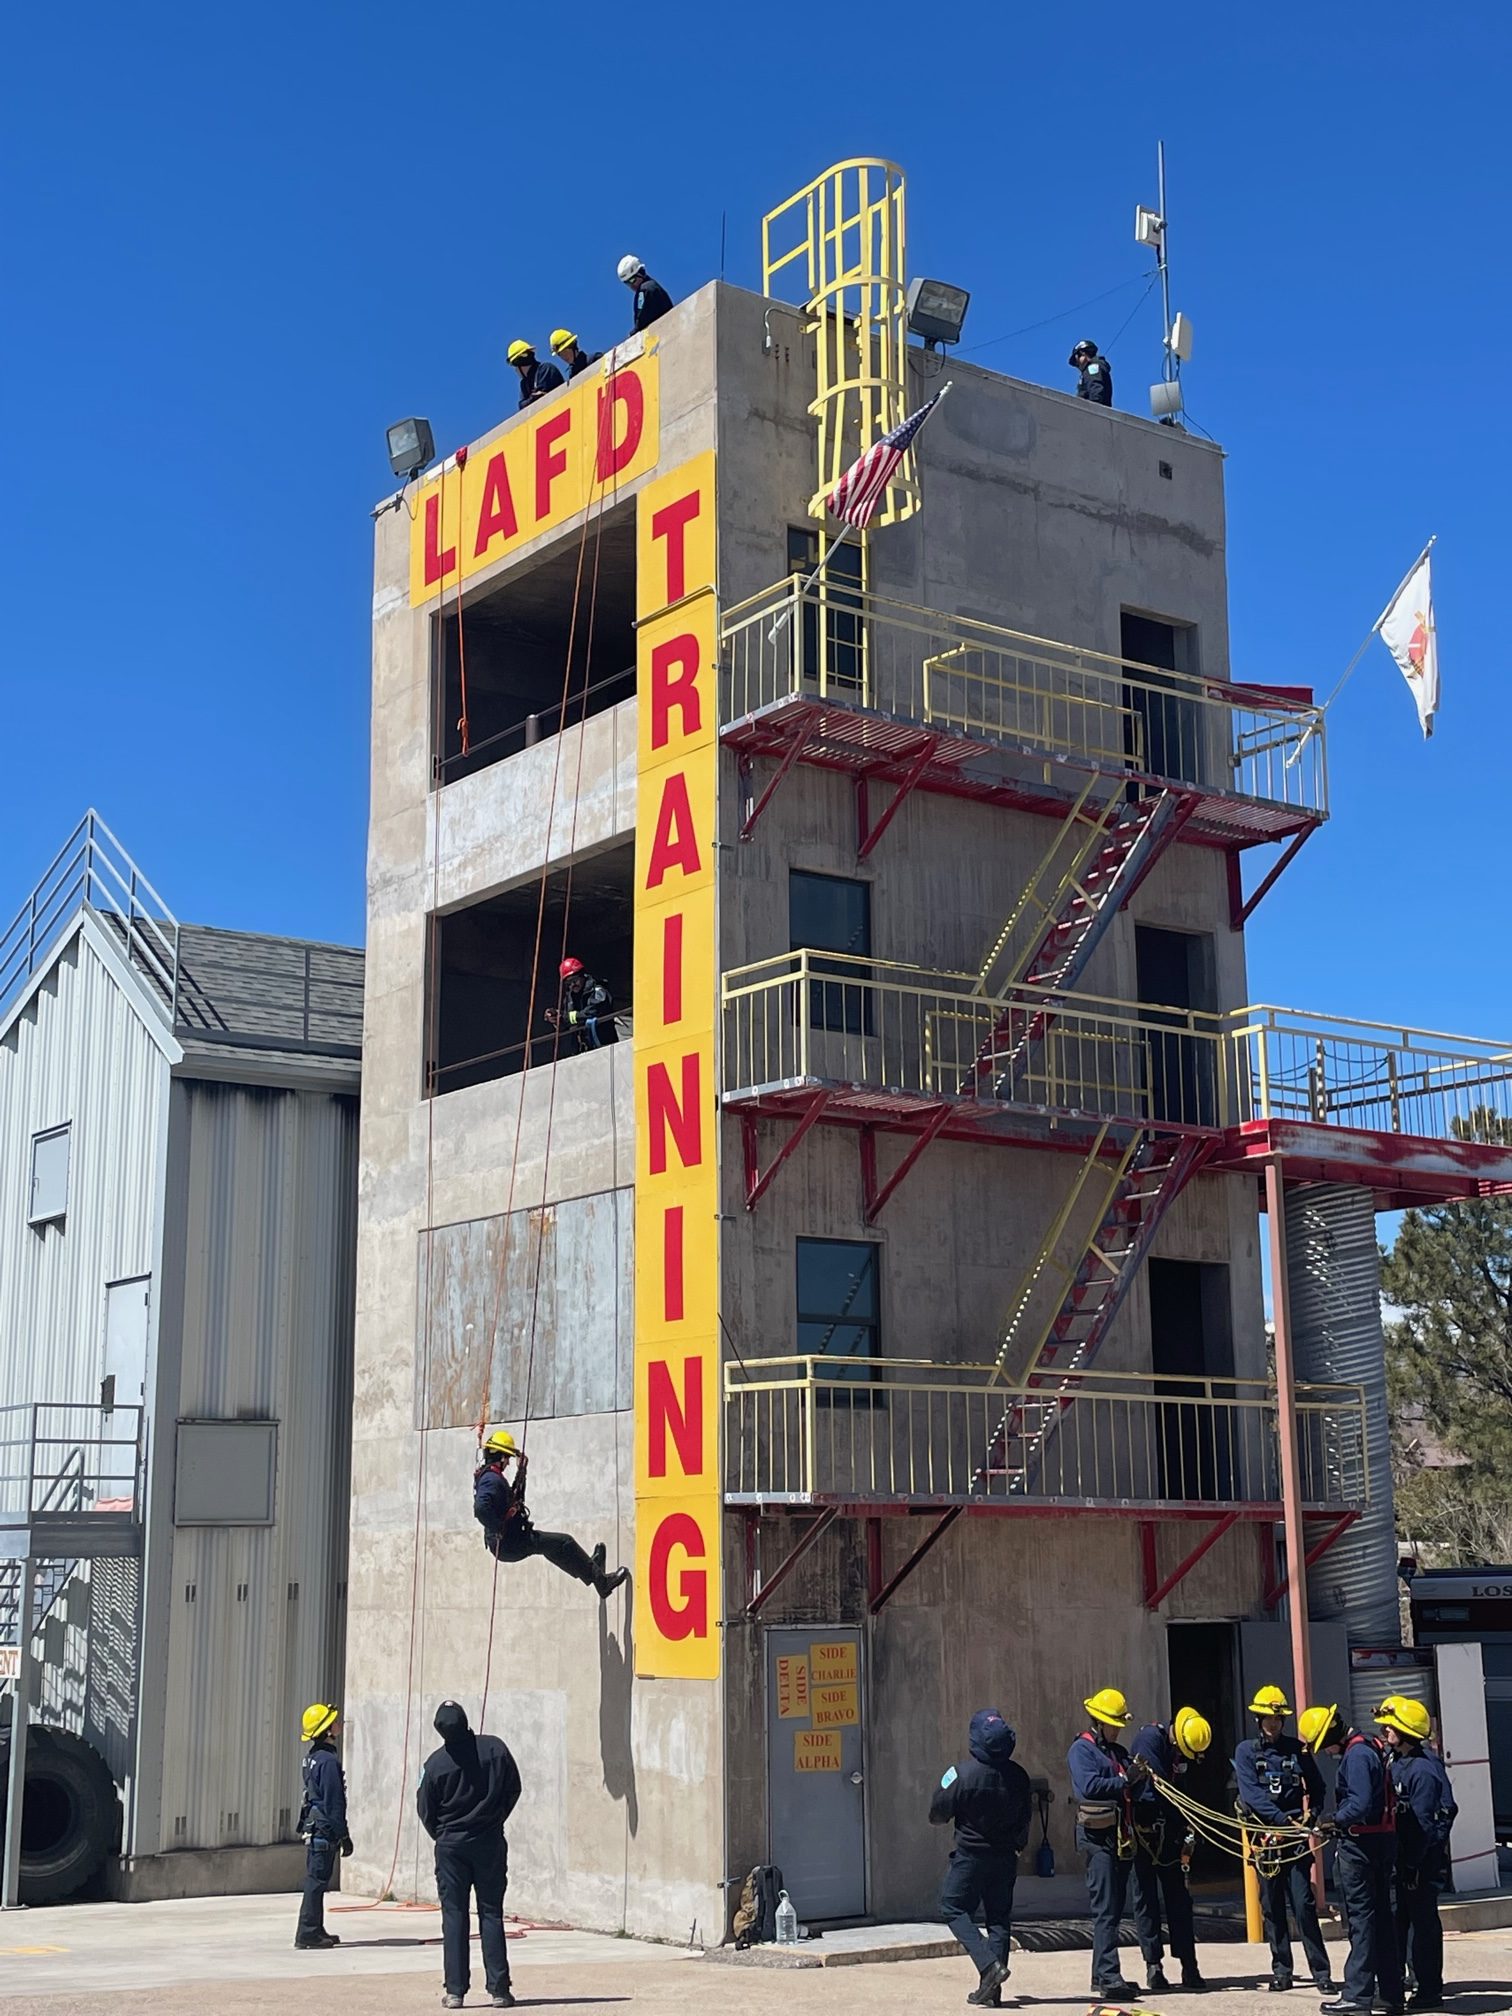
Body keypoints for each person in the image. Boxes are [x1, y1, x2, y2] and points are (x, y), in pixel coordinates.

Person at [418, 1700, 523, 2011]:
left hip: (451, 1848)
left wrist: (444, 1835)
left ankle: (455, 1991)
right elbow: (513, 1788)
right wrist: (495, 1819)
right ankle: (499, 1990)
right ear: (465, 1720)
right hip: (489, 1842)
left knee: (454, 1916)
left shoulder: (435, 1764)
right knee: (491, 1913)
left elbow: (425, 1809)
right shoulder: (495, 1749)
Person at [1300, 1703, 1404, 2016]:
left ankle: (1357, 1996)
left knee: (1362, 1922)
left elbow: (1358, 1804)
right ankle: (1391, 1993)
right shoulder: (1371, 1745)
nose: (1327, 1751)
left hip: (1360, 1847)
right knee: (1382, 1920)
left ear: (1332, 1733)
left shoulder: (1357, 1756)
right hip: (1381, 1841)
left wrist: (1333, 1820)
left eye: (1324, 1743)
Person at [1234, 1685, 1337, 1994]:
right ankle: (1282, 1970)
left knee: (1304, 1904)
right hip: (1266, 1840)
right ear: (1258, 1718)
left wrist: (1313, 1813)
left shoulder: (1298, 1750)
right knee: (1272, 1907)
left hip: (1294, 1841)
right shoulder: (1246, 1752)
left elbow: (1318, 1786)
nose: (1274, 1723)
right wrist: (1281, 1821)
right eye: (1268, 1717)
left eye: (1278, 1718)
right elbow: (1251, 1795)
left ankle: (1321, 1972)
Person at [930, 1708, 1032, 2008]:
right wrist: (1017, 1847)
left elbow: (936, 1814)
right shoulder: (1019, 1776)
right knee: (998, 1919)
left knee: (951, 1907)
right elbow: (1026, 1818)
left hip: (970, 1857)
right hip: (1005, 1858)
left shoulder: (960, 1774)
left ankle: (989, 1967)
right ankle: (992, 1990)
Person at [1068, 1686, 1159, 1999]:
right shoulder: (1082, 1750)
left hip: (1119, 1837)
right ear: (1099, 1722)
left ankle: (1101, 1974)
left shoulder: (1117, 1753)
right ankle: (1109, 1977)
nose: (1119, 1729)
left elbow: (1130, 1783)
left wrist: (1140, 1776)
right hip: (1097, 1838)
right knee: (1105, 1908)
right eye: (1114, 1724)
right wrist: (1124, 1780)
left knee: (1115, 1906)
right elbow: (1089, 1786)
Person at [474, 1428, 628, 1598]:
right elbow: (481, 1508)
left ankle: (590, 1567)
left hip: (510, 1541)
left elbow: (512, 1497)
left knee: (553, 1548)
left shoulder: (489, 1476)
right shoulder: (492, 1480)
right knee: (564, 1542)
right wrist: (499, 1528)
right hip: (509, 1544)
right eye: (508, 1458)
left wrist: (522, 1472)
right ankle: (602, 1583)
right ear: (502, 1457)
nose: (509, 1463)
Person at [1378, 1697, 1457, 2011]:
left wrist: (1413, 1865)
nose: (1385, 1730)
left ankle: (1429, 1990)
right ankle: (1399, 1982)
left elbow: (1425, 1822)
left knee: (1422, 1926)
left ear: (1407, 1730)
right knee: (1400, 1923)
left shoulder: (1422, 1769)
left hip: (1421, 1861)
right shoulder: (1397, 1760)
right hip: (1403, 1858)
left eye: (1391, 1726)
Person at [1130, 1706, 1212, 1992]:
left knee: (1180, 1901)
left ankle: (1189, 1965)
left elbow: (1183, 1790)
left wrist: (1190, 1829)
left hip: (1172, 1836)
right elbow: (1160, 1790)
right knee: (1146, 1902)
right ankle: (1154, 1966)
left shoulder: (1180, 1751)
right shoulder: (1150, 1740)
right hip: (1145, 1835)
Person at [295, 1702, 352, 1951]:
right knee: (317, 1881)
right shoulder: (328, 1761)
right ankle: (307, 1932)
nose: (339, 1723)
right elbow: (334, 1800)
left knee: (316, 1879)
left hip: (315, 1824)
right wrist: (343, 1834)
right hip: (324, 1828)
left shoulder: (312, 1758)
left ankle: (315, 1929)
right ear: (327, 1730)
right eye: (334, 1721)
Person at [546, 956, 618, 1051]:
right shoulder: (569, 998)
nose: (573, 985)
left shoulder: (597, 989)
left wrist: (566, 1017)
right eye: (569, 983)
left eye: (575, 980)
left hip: (605, 1044)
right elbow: (567, 1023)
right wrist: (557, 1020)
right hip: (583, 1049)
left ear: (582, 975)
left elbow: (593, 1011)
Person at [617, 255, 674, 333]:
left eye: (632, 280)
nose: (631, 286)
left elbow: (641, 322)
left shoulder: (645, 289)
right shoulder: (653, 286)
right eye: (627, 283)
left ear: (641, 273)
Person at [506, 339, 565, 411]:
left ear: (520, 363)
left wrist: (532, 399)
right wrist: (531, 398)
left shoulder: (546, 369)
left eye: (515, 366)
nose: (515, 370)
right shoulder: (524, 384)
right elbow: (522, 405)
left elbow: (540, 398)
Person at [1069, 339, 1113, 407]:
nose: (1078, 366)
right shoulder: (1096, 368)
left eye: (1076, 362)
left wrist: (1092, 409)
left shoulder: (1092, 368)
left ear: (1082, 354)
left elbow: (1096, 390)